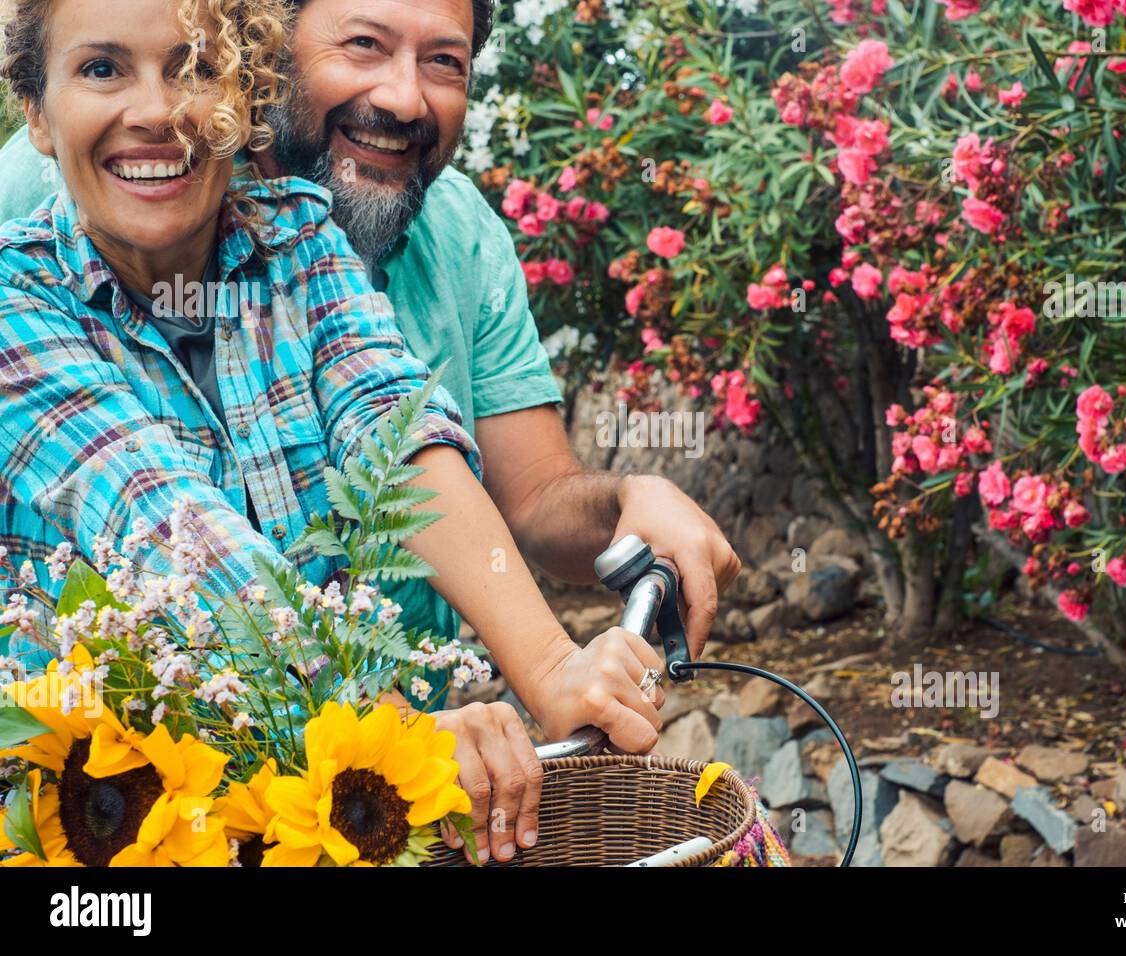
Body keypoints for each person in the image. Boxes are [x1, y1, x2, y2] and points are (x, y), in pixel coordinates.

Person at [0, 0, 670, 864]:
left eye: (195, 67)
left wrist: (554, 668)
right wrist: (386, 736)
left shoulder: (301, 239)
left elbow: (398, 430)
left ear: (247, 92)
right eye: (100, 70)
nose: (155, 110)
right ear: (37, 114)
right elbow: (169, 527)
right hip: (104, 839)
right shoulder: (14, 304)